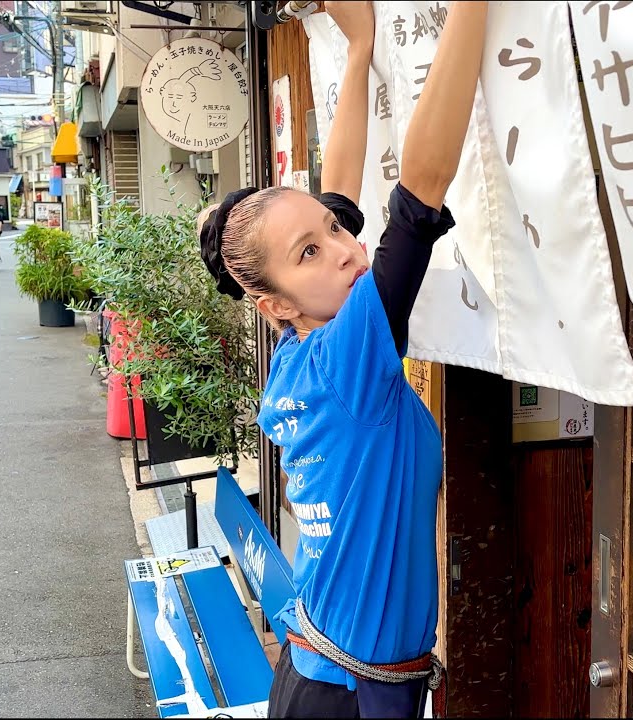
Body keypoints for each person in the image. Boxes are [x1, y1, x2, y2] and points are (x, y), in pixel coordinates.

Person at [197, 2, 488, 717]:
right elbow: (421, 186)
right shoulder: (348, 355)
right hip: (349, 700)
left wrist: (359, 52)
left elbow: (341, 196)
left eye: (332, 233)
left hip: (323, 673)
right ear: (275, 305)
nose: (347, 252)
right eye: (309, 253)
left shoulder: (302, 355)